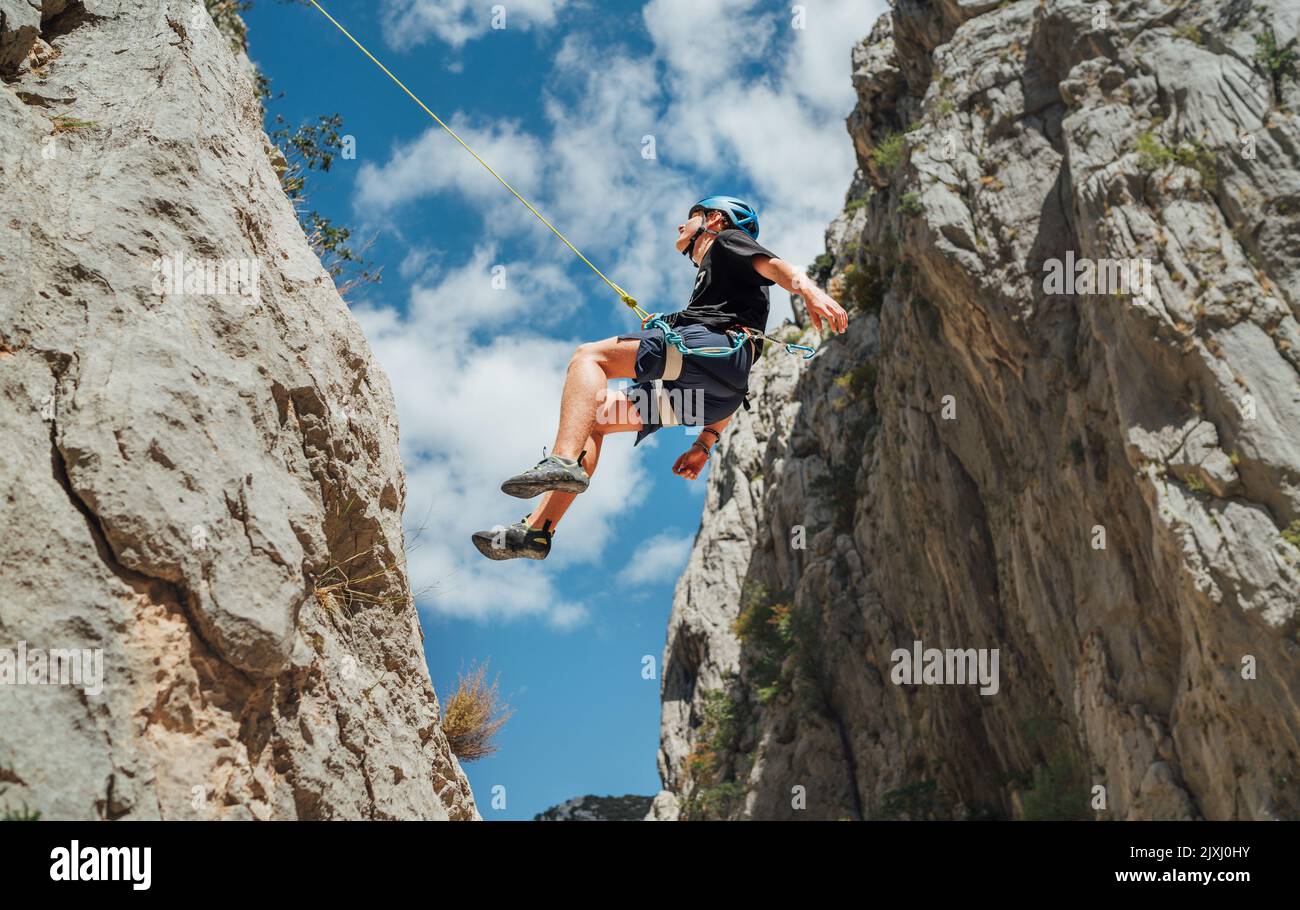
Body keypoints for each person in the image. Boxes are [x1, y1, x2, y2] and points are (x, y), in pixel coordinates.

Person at [472, 195, 849, 560]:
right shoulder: (724, 290)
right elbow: (737, 376)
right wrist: (703, 445)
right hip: (717, 392)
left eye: (693, 215)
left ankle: (563, 459)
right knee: (595, 417)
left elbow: (777, 267)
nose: (681, 223)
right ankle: (538, 531)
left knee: (590, 357)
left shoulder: (729, 240)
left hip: (706, 354)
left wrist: (809, 291)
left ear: (715, 220)